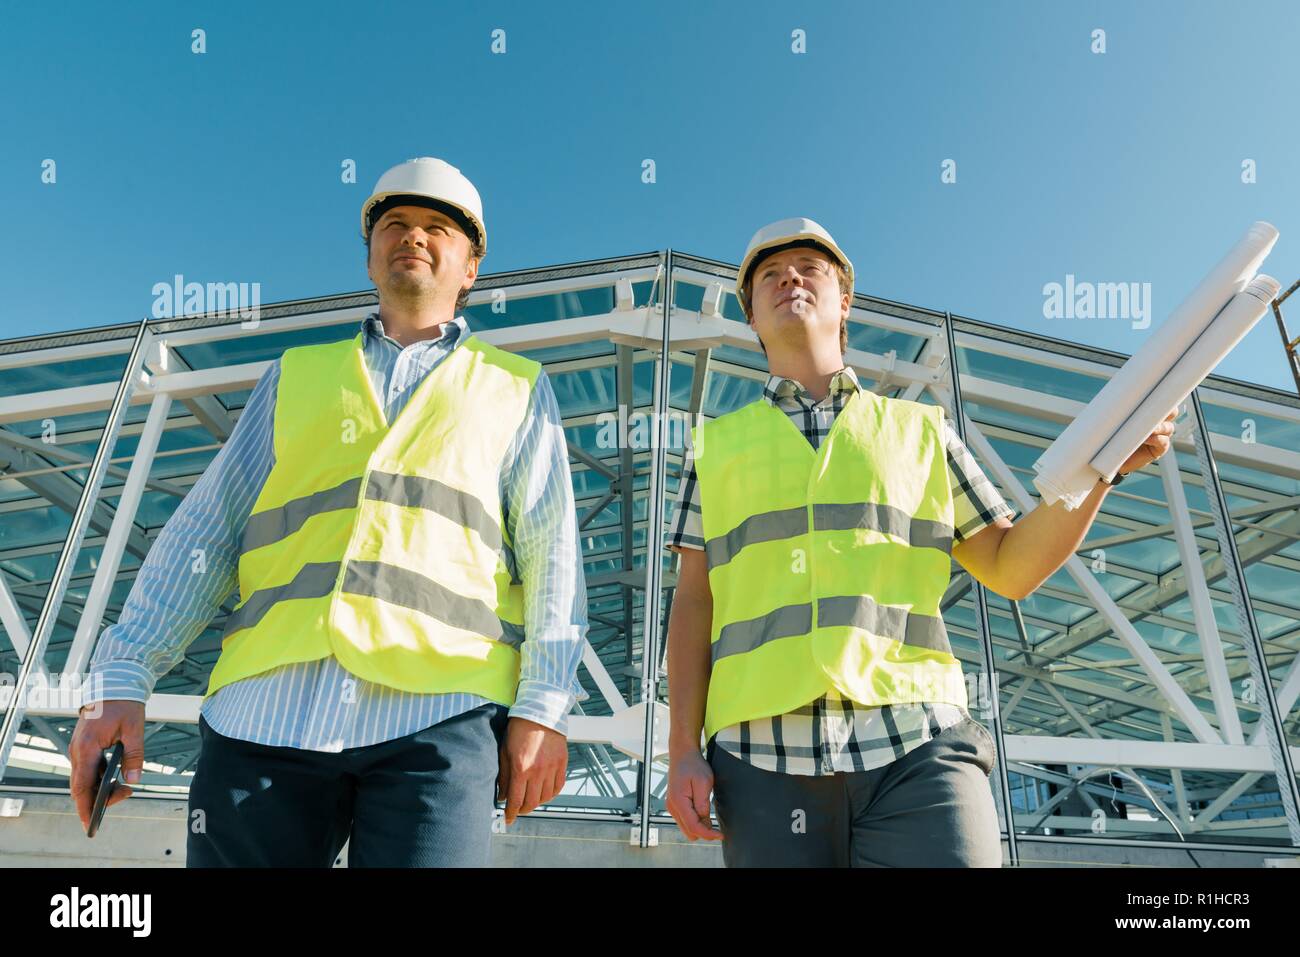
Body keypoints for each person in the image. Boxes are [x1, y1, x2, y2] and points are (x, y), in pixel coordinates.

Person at [69, 157, 588, 867]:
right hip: (261, 716)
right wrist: (122, 678)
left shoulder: (516, 388)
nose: (414, 237)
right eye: (395, 225)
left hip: (440, 716)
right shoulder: (294, 376)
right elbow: (205, 533)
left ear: (471, 267)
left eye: (438, 228)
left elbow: (553, 555)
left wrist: (543, 707)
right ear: (371, 256)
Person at [663, 217, 1176, 867]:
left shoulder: (920, 431)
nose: (790, 277)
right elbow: (693, 604)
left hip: (917, 748)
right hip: (763, 762)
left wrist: (1105, 468)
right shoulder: (715, 448)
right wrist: (682, 744)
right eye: (770, 274)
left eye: (810, 267)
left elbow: (1012, 566)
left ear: (844, 300)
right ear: (753, 317)